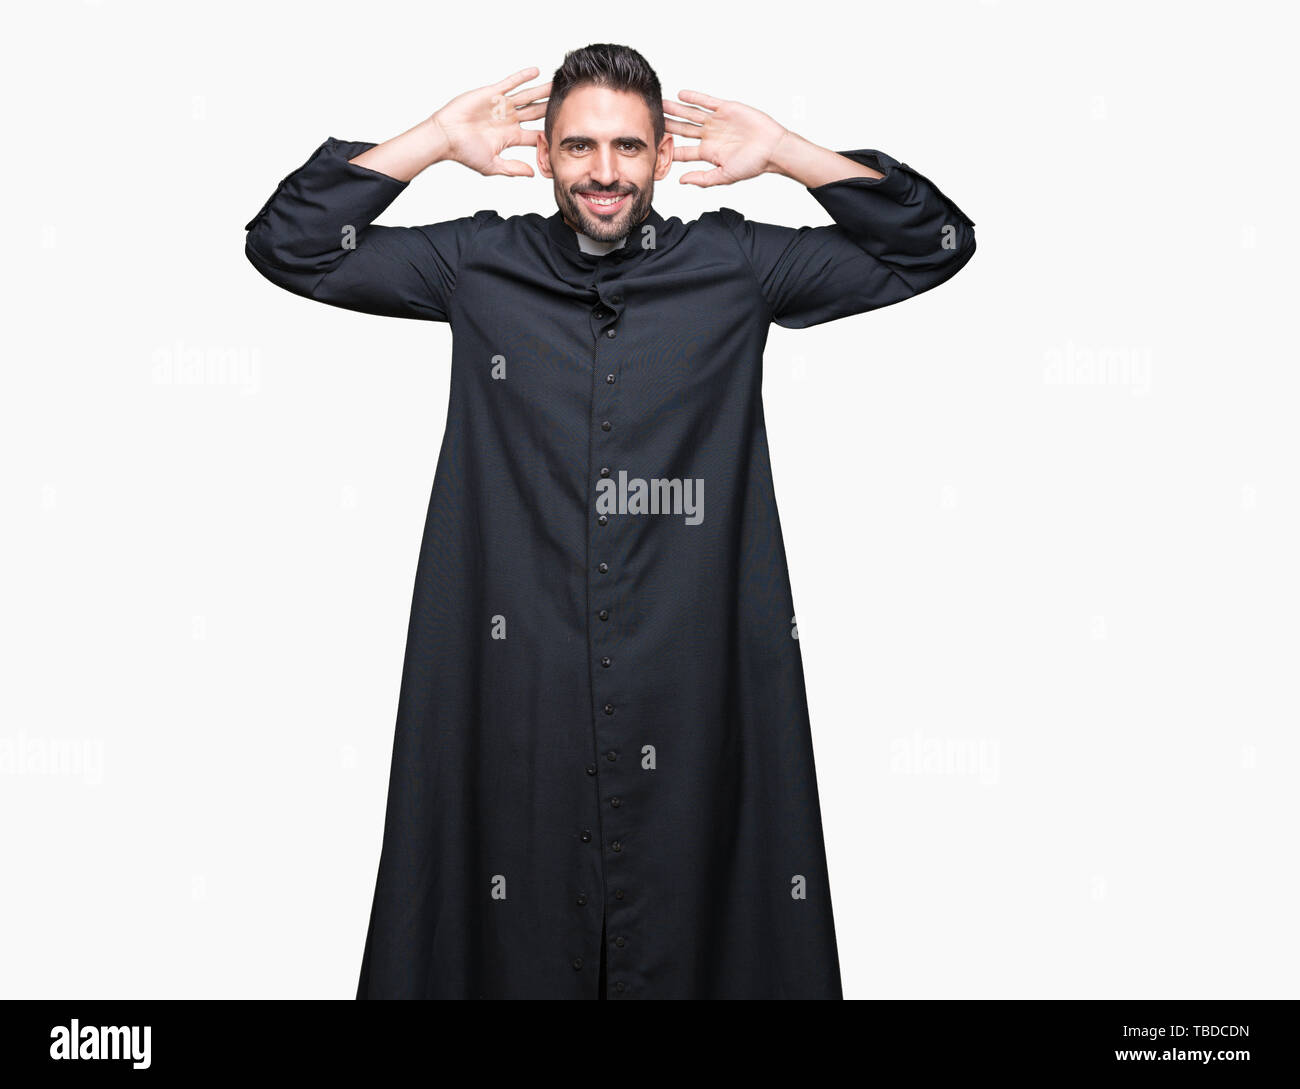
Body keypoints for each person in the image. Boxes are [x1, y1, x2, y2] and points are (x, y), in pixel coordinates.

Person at [244, 42, 976, 1000]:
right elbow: (288, 245)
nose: (604, 172)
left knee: (705, 911)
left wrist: (791, 152)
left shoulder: (738, 266)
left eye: (628, 147)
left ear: (663, 155)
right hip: (514, 687)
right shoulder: (476, 264)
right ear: (544, 155)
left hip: (693, 686)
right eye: (579, 146)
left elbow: (937, 245)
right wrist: (429, 141)